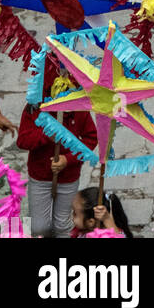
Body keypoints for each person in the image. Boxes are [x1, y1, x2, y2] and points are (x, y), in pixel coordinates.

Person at [18, 99, 97, 238]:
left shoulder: (79, 108)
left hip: (68, 177)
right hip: (40, 176)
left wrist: (68, 159)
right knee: (38, 228)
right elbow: (22, 141)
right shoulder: (34, 107)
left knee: (63, 226)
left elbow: (91, 139)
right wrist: (45, 135)